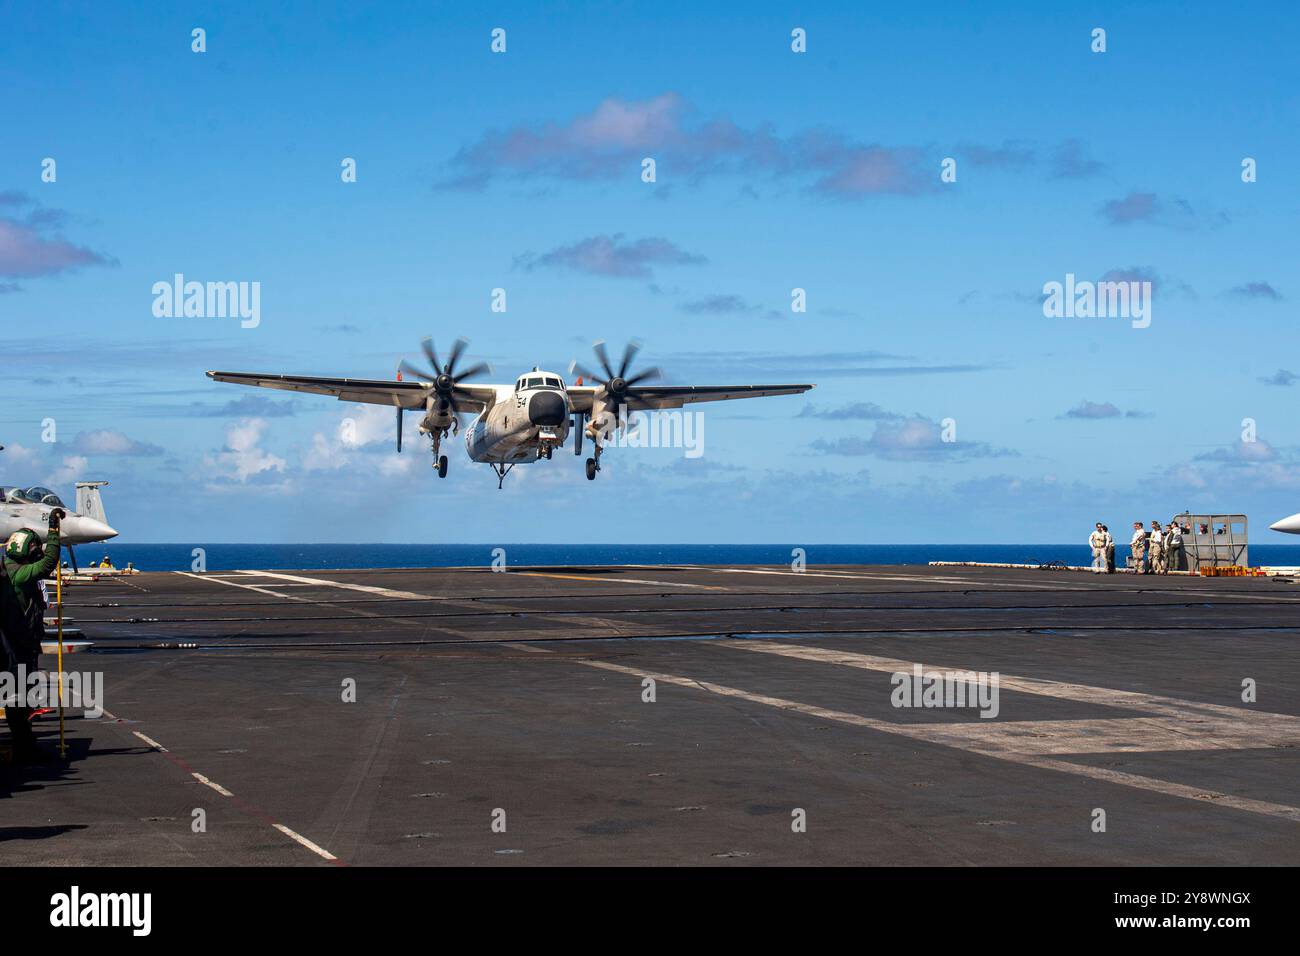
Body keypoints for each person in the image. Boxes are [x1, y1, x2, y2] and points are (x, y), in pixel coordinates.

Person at [0, 508, 62, 763]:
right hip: (17, 648)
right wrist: (54, 531)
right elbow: (48, 563)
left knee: (19, 697)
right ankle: (24, 746)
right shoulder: (19, 574)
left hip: (14, 645)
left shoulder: (7, 568)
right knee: (18, 699)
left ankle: (24, 743)